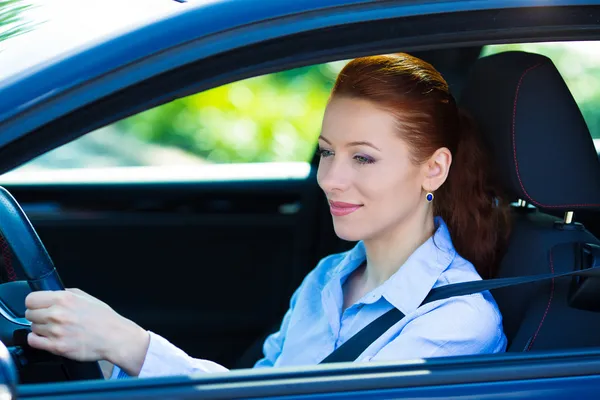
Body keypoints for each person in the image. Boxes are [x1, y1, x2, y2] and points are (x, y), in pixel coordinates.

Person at [23, 53, 511, 379]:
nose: (331, 179)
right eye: (326, 153)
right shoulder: (328, 279)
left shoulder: (457, 322)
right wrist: (106, 353)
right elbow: (255, 388)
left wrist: (130, 343)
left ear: (433, 169)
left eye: (362, 157)